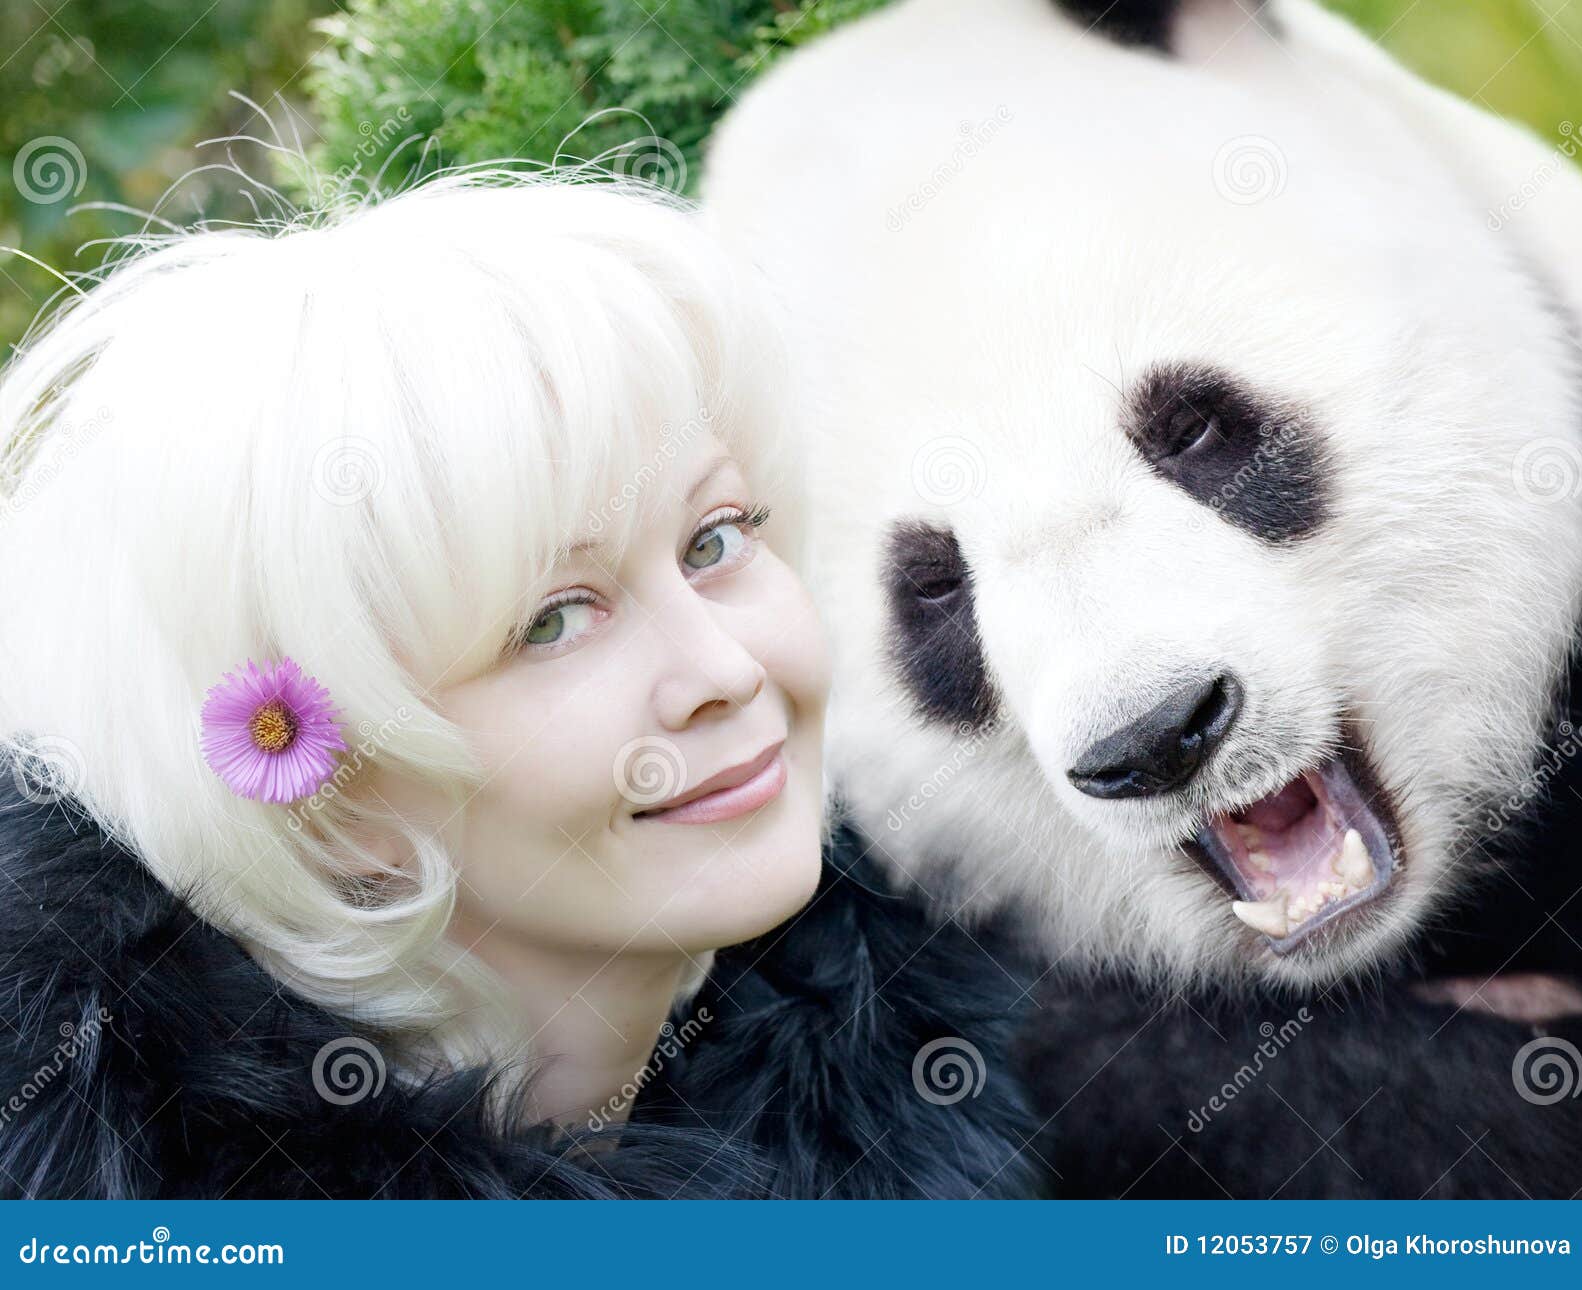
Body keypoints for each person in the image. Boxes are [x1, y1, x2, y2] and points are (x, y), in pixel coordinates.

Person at [0, 174, 1040, 1198]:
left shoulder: (1025, 1049)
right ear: (327, 799)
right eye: (551, 620)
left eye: (714, 540)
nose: (725, 668)